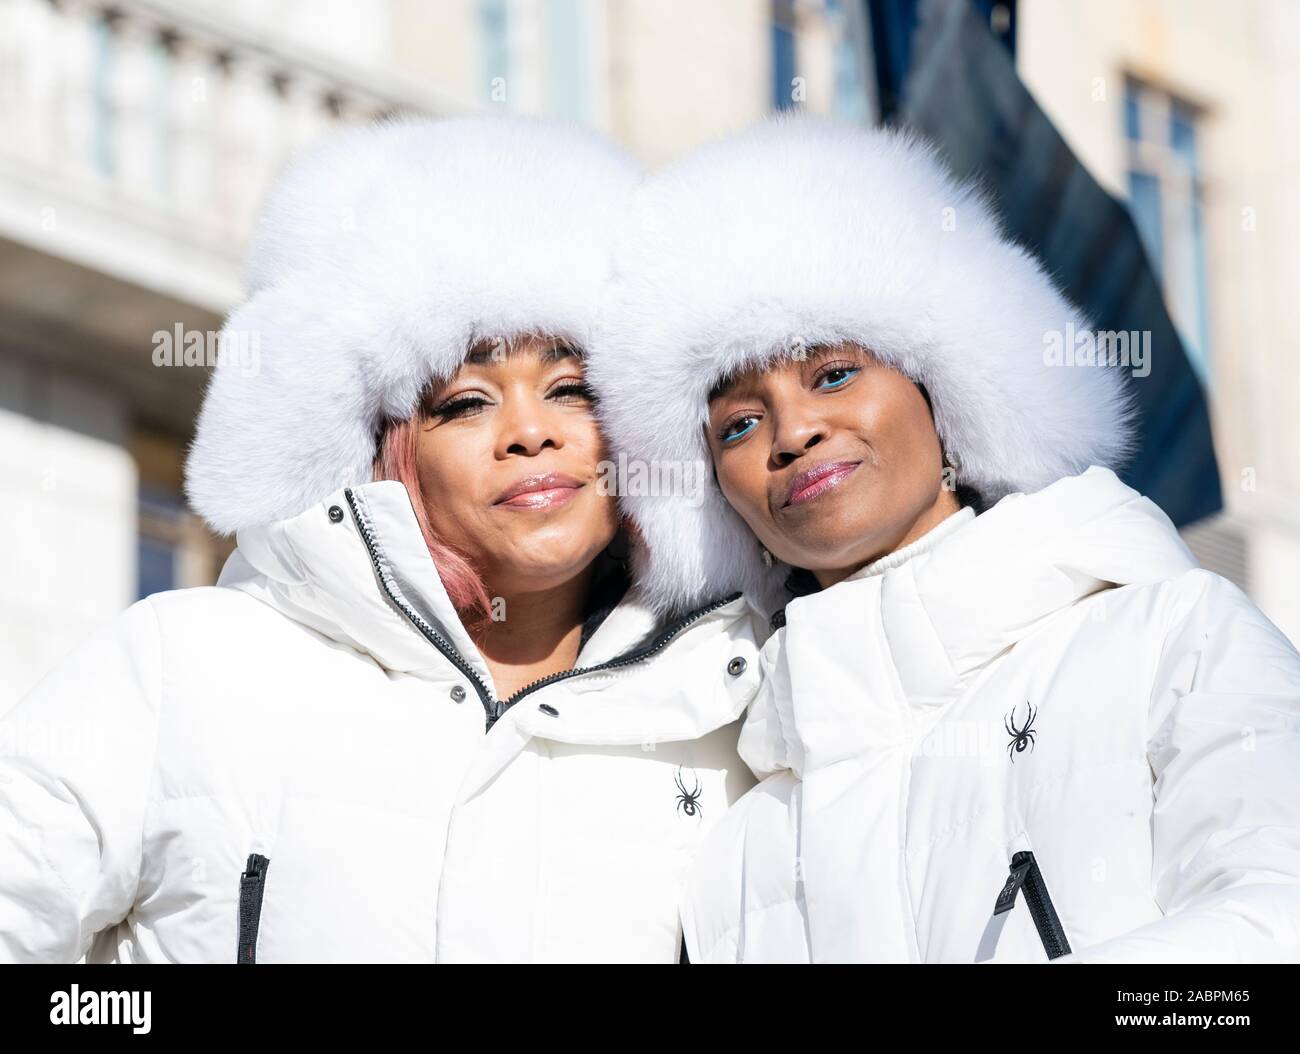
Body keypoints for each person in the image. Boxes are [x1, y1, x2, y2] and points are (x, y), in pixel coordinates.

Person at [0, 115, 763, 964]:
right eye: (466, 403)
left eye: (571, 389)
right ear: (384, 453)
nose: (530, 432)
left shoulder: (733, 717)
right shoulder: (191, 665)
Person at [590, 115, 1300, 963]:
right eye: (740, 424)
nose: (794, 431)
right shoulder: (735, 848)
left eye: (835, 375)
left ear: (946, 392)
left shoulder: (1174, 641)